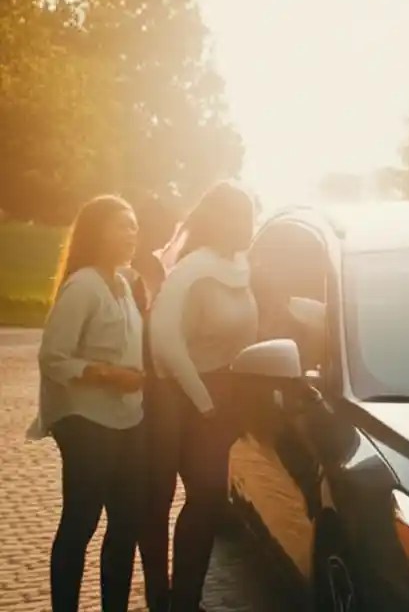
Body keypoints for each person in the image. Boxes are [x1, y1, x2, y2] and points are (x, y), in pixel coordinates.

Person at [139, 181, 259, 612]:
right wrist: (203, 401)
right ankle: (160, 596)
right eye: (240, 216)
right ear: (218, 220)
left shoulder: (241, 265)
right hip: (176, 393)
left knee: (208, 497)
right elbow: (166, 344)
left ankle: (186, 598)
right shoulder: (192, 270)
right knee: (161, 497)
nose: (248, 224)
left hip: (220, 392)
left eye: (251, 214)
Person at [31, 195, 147, 612]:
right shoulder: (83, 285)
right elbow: (53, 357)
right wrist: (108, 375)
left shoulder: (124, 283)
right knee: (81, 522)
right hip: (86, 421)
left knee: (125, 523)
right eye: (122, 225)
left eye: (134, 225)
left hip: (128, 418)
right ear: (96, 231)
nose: (132, 233)